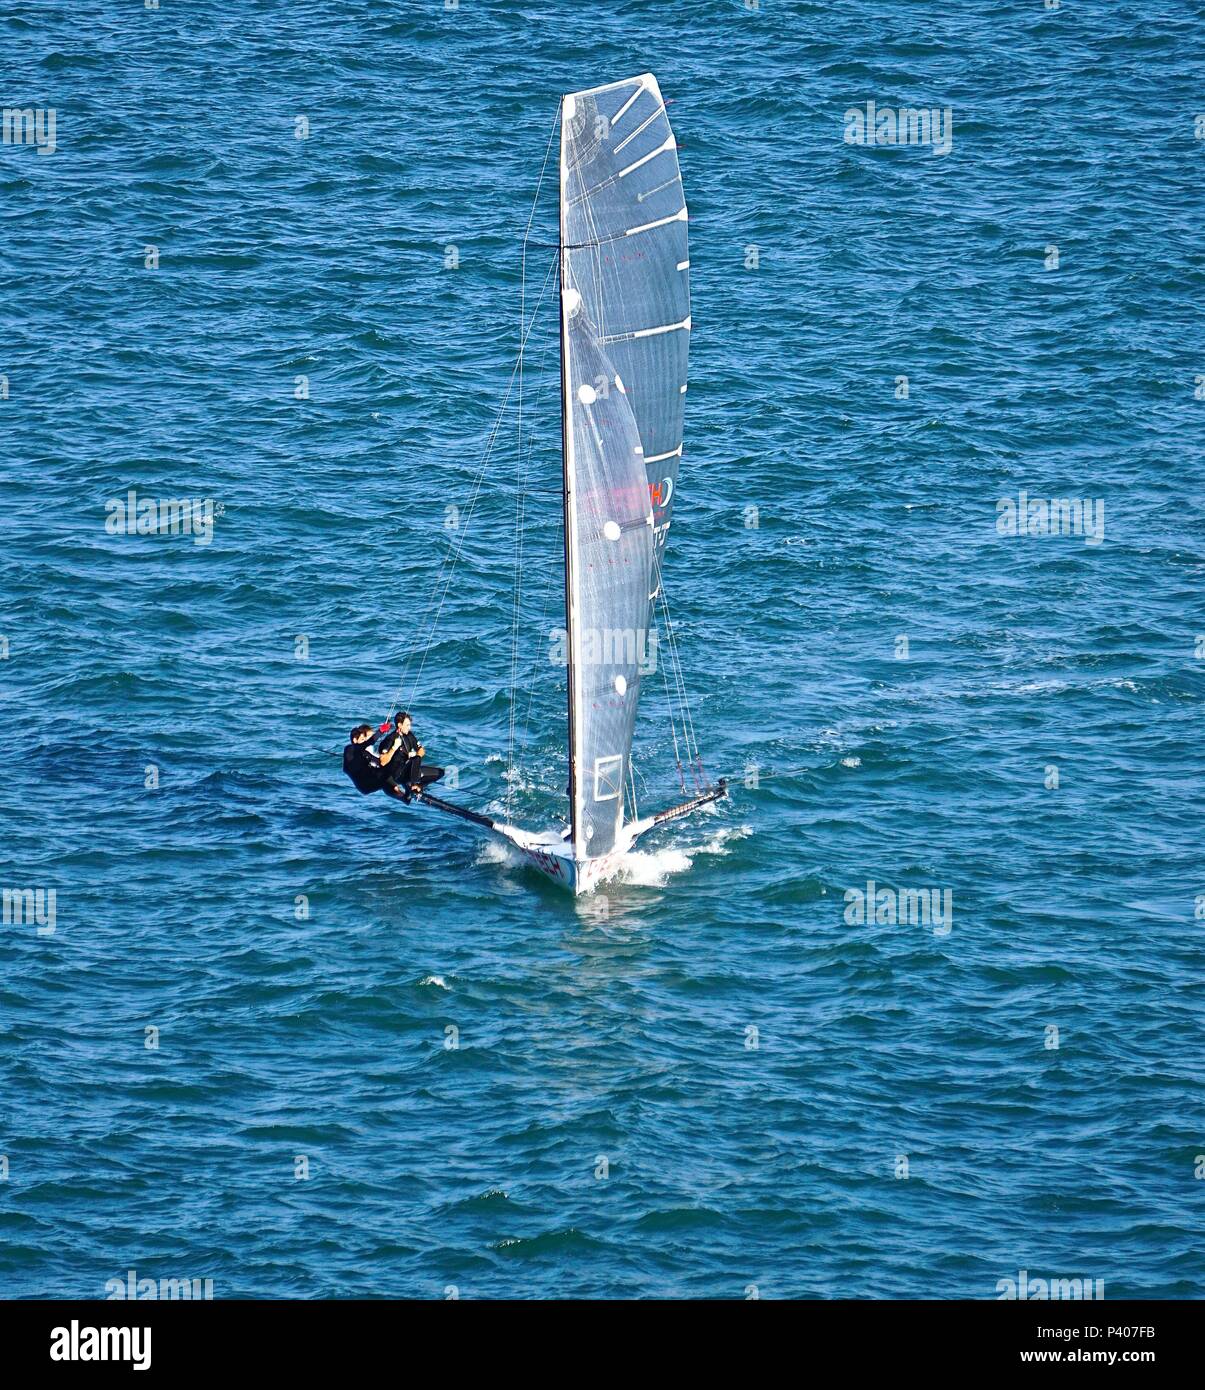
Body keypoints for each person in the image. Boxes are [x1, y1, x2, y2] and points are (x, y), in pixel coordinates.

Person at [378, 711, 443, 800]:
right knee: (415, 759)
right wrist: (394, 748)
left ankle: (418, 786)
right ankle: (412, 785)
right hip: (397, 775)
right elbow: (382, 761)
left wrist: (415, 754)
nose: (410, 727)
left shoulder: (409, 735)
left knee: (440, 772)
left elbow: (422, 750)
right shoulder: (390, 739)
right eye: (407, 725)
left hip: (410, 772)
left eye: (410, 725)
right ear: (400, 725)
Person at [343, 723, 409, 800]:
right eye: (362, 740)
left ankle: (404, 797)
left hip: (369, 783)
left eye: (364, 739)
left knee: (385, 776)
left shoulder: (364, 753)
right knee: (384, 775)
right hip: (364, 783)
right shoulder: (349, 749)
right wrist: (381, 731)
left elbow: (379, 762)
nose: (364, 742)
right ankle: (402, 790)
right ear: (355, 740)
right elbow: (369, 742)